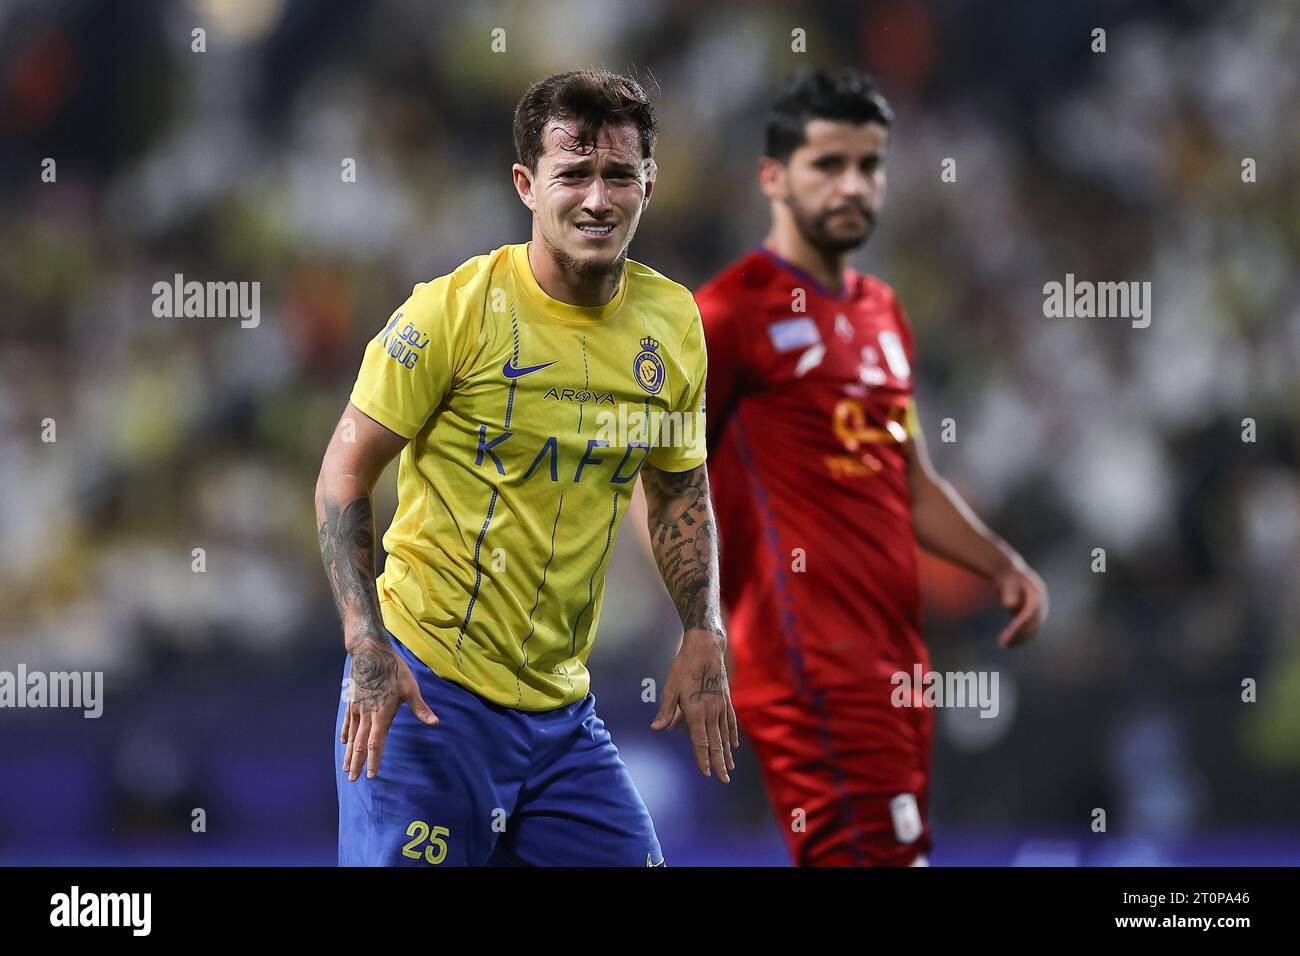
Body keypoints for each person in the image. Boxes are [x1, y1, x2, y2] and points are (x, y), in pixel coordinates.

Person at [315, 69, 735, 867]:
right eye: (573, 175)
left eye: (619, 175)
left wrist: (702, 627)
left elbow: (678, 485)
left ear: (650, 182)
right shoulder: (453, 312)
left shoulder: (674, 323)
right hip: (428, 695)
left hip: (560, 716)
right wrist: (366, 640)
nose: (598, 200)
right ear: (526, 185)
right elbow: (344, 474)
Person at [695, 68, 1048, 866]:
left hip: (889, 658)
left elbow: (909, 478)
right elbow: (661, 478)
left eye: (870, 164)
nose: (853, 185)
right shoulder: (725, 315)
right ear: (774, 177)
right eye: (829, 165)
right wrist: (698, 622)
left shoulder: (881, 311)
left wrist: (1001, 565)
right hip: (803, 659)